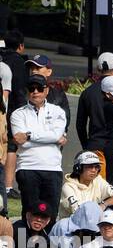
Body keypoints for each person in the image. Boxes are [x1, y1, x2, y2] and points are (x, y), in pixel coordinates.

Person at [9, 74, 67, 214]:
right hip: (27, 168)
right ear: (27, 91)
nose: (35, 92)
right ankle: (24, 237)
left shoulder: (57, 111)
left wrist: (29, 135)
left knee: (51, 214)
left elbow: (55, 135)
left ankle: (48, 237)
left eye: (39, 88)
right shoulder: (18, 114)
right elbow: (23, 143)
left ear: (46, 90)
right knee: (29, 213)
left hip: (53, 168)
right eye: (31, 88)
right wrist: (51, 139)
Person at [59, 151, 113, 220]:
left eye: (96, 167)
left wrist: (104, 204)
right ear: (78, 168)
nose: (94, 170)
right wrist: (98, 210)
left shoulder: (98, 180)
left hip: (92, 222)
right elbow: (78, 212)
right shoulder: (68, 187)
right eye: (89, 167)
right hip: (72, 226)